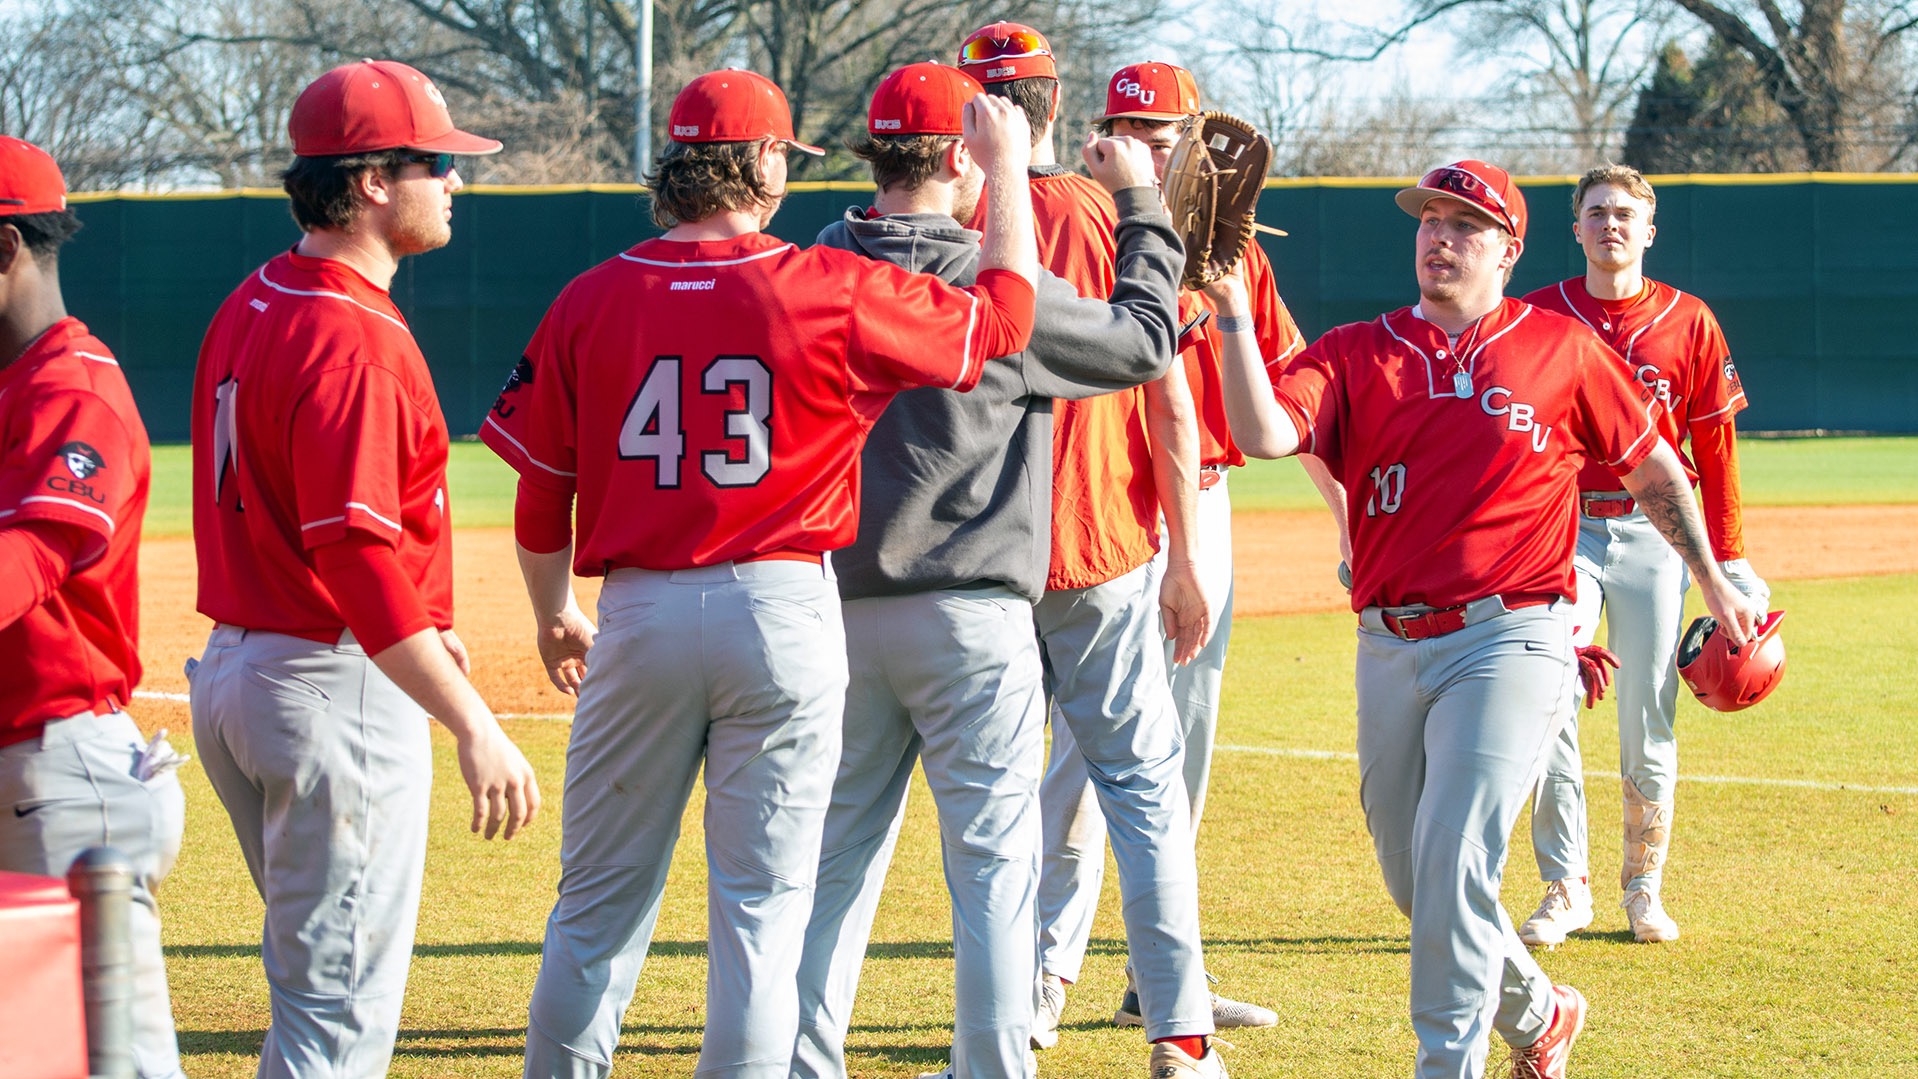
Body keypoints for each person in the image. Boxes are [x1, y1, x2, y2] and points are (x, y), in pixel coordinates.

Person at [481, 68, 1039, 1079]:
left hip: (641, 609)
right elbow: (1000, 324)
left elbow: (539, 489)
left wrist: (553, 606)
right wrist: (1003, 171)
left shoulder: (591, 295)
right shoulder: (827, 286)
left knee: (597, 902)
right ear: (765, 164)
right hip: (781, 607)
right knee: (761, 911)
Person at [1215, 159, 1763, 1078]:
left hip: (1515, 630)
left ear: (1508, 249)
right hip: (1388, 641)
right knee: (1413, 874)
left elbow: (1656, 469)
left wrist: (1712, 577)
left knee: (1455, 853)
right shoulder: (1359, 350)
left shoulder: (1562, 350)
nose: (1439, 236)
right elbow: (1264, 431)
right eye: (1429, 220)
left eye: (1464, 224)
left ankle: (1448, 1063)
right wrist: (1233, 306)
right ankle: (1540, 1011)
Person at [787, 62, 1183, 1079]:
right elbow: (1144, 342)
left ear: (873, 154)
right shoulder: (992, 283)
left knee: (828, 866)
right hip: (972, 613)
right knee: (995, 866)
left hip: (833, 607)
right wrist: (1140, 204)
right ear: (965, 158)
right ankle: (993, 1065)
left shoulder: (814, 269)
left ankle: (798, 1060)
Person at [189, 60, 542, 1078]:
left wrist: (424, 624)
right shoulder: (354, 335)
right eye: (437, 163)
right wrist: (471, 717)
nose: (455, 182)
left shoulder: (257, 296)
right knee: (334, 1020)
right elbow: (350, 551)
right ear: (374, 180)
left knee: (310, 991)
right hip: (327, 687)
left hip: (238, 673)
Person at [957, 24, 1225, 1077]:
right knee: (1144, 796)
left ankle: (1003, 1032)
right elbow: (1168, 402)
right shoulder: (1108, 213)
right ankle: (1180, 1035)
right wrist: (1188, 559)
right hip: (1103, 546)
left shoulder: (934, 218)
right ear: (1055, 107)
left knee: (992, 811)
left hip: (972, 559)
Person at [1517, 164, 1770, 946]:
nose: (1611, 224)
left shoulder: (1689, 320)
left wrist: (1727, 559)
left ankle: (1643, 887)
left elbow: (1715, 448)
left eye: (1626, 213)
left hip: (1659, 535)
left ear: (1650, 230)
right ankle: (1566, 886)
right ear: (1576, 229)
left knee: (1648, 714)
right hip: (1564, 529)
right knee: (1548, 693)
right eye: (1596, 213)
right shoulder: (1539, 315)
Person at [0, 135, 185, 1079]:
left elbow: (29, 558)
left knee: (117, 1066)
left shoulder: (74, 390)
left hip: (63, 782)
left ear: (6, 251)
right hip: (23, 774)